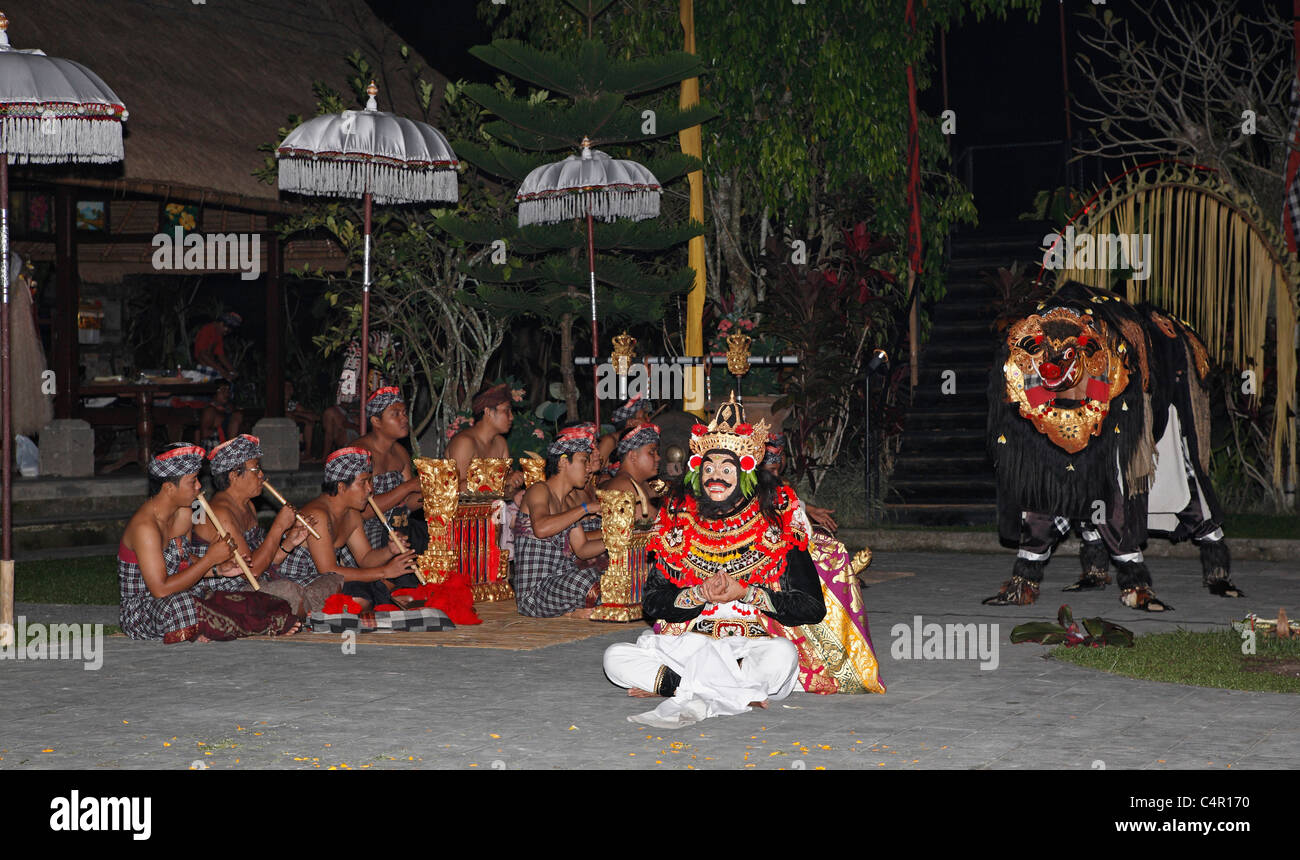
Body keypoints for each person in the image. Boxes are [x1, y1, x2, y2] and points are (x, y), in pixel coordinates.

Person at [602, 395, 829, 728]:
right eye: (707, 468)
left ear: (745, 473)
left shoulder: (777, 525)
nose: (715, 477)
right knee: (614, 658)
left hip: (751, 649)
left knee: (783, 656)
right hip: (692, 644)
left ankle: (680, 686)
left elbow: (812, 606)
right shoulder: (678, 521)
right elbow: (652, 603)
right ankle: (710, 688)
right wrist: (698, 595)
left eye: (725, 469)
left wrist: (746, 593)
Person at [119, 443, 298, 643]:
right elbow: (160, 590)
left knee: (242, 598)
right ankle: (259, 625)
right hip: (147, 608)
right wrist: (210, 559)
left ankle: (211, 625)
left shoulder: (185, 512)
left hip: (185, 592)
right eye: (193, 481)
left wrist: (218, 570)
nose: (199, 487)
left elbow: (184, 560)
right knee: (184, 605)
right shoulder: (145, 528)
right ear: (169, 488)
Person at [192, 434, 339, 616]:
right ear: (234, 476)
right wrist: (278, 528)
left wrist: (288, 544)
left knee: (332, 580)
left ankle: (297, 611)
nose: (262, 475)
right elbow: (251, 571)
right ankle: (295, 613)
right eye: (256, 470)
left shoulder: (248, 505)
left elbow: (265, 560)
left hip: (256, 581)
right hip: (227, 590)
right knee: (289, 591)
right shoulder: (220, 514)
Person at [277, 447, 418, 610]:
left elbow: (365, 558)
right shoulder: (317, 515)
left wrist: (390, 551)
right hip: (298, 583)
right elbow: (328, 570)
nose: (370, 489)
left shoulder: (352, 513)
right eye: (363, 482)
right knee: (360, 597)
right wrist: (385, 571)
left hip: (328, 581)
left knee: (389, 587)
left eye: (369, 481)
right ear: (341, 487)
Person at [513, 426, 606, 618]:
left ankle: (574, 612)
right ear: (563, 462)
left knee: (608, 575)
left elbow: (581, 548)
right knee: (587, 580)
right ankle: (574, 611)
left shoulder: (568, 502)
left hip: (562, 582)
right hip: (536, 594)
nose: (589, 468)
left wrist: (617, 539)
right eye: (583, 461)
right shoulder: (539, 490)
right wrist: (585, 508)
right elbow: (541, 528)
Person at [355, 387, 422, 554]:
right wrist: (408, 487)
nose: (404, 418)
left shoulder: (400, 452)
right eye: (395, 414)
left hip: (397, 526)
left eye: (404, 413)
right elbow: (364, 512)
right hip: (365, 533)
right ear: (376, 421)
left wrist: (433, 492)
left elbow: (406, 504)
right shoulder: (360, 454)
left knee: (429, 535)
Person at [447, 383, 525, 494]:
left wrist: (515, 484)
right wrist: (502, 481)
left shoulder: (500, 443)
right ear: (488, 412)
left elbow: (506, 489)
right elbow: (456, 488)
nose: (511, 417)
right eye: (506, 411)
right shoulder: (464, 443)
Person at [762, 432, 837, 533]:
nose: (776, 475)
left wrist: (809, 509)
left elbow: (787, 504)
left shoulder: (780, 484)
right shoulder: (745, 489)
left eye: (778, 470)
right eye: (771, 470)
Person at [599, 422, 661, 523]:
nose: (658, 458)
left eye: (657, 453)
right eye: (651, 452)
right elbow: (655, 522)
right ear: (633, 456)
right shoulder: (625, 485)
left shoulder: (640, 484)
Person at [596, 396, 654, 478]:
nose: (648, 420)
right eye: (644, 416)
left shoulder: (629, 444)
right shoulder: (609, 442)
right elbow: (593, 478)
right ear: (631, 423)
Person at [193, 312, 240, 381]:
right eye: (227, 330)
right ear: (221, 323)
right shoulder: (207, 329)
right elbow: (202, 355)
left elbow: (221, 355)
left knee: (228, 380)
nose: (227, 333)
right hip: (202, 368)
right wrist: (222, 372)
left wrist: (232, 370)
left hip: (212, 368)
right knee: (223, 382)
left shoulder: (218, 334)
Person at [198, 381, 242, 451]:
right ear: (214, 392)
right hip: (213, 450)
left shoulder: (228, 409)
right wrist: (217, 428)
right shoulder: (210, 410)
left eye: (228, 390)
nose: (226, 393)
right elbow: (203, 434)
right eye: (223, 390)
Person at [284, 381, 321, 463]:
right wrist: (299, 418)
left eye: (290, 387)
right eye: (285, 387)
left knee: (308, 424)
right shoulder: (275, 402)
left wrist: (297, 413)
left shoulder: (293, 404)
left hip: (297, 431)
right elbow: (288, 417)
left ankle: (306, 454)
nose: (288, 389)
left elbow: (315, 417)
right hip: (282, 432)